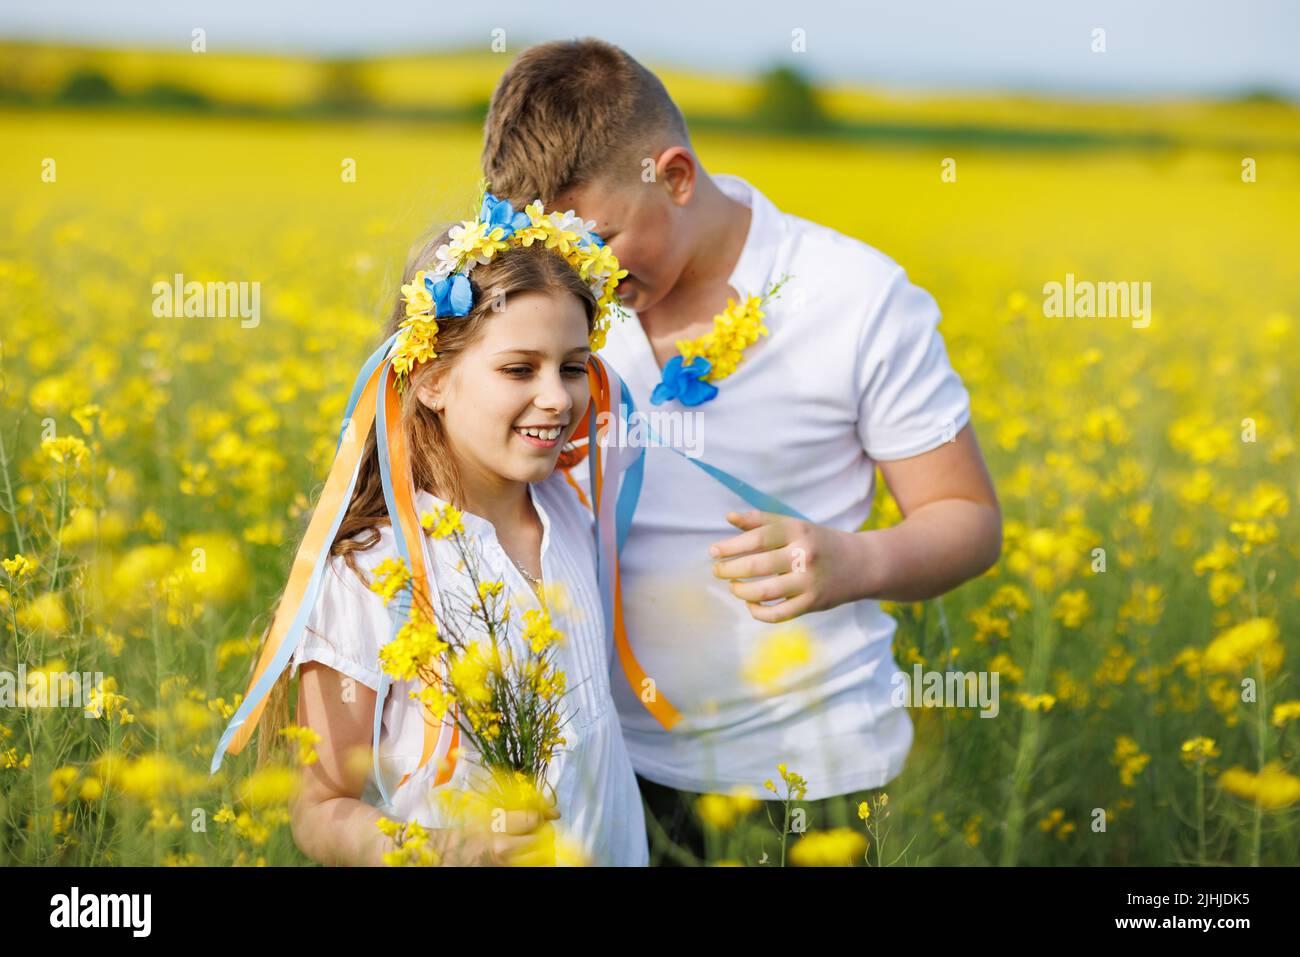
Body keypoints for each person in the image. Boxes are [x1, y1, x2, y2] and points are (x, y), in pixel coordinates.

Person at [481, 39, 1003, 864]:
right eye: (555, 251)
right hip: (598, 766)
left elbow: (968, 519)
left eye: (600, 240)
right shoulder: (552, 305)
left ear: (676, 176)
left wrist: (853, 564)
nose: (583, 276)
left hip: (805, 778)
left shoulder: (858, 298)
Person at [210, 195, 648, 866]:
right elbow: (319, 805)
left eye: (571, 366)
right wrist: (439, 849)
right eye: (518, 368)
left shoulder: (568, 506)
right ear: (434, 379)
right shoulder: (371, 569)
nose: (558, 396)